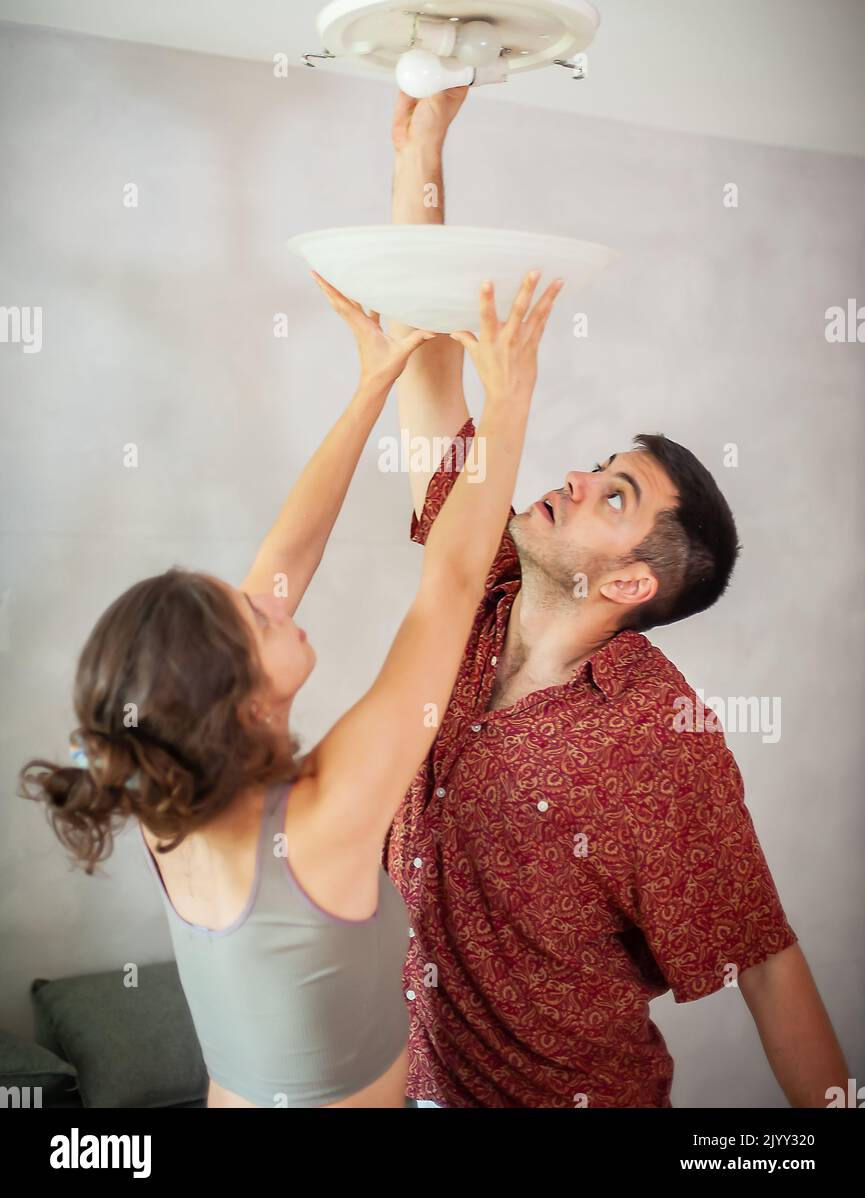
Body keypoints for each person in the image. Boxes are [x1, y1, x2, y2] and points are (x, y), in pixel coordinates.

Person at [384, 87, 849, 1109]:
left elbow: (766, 962)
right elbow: (427, 363)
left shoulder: (659, 738)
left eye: (614, 494)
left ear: (633, 581)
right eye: (597, 464)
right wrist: (422, 143)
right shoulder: (475, 585)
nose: (575, 479)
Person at [19, 266, 562, 1108]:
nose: (275, 604)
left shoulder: (164, 795)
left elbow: (284, 561)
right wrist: (510, 396)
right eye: (256, 622)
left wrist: (372, 385)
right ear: (242, 704)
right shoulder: (320, 822)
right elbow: (451, 585)